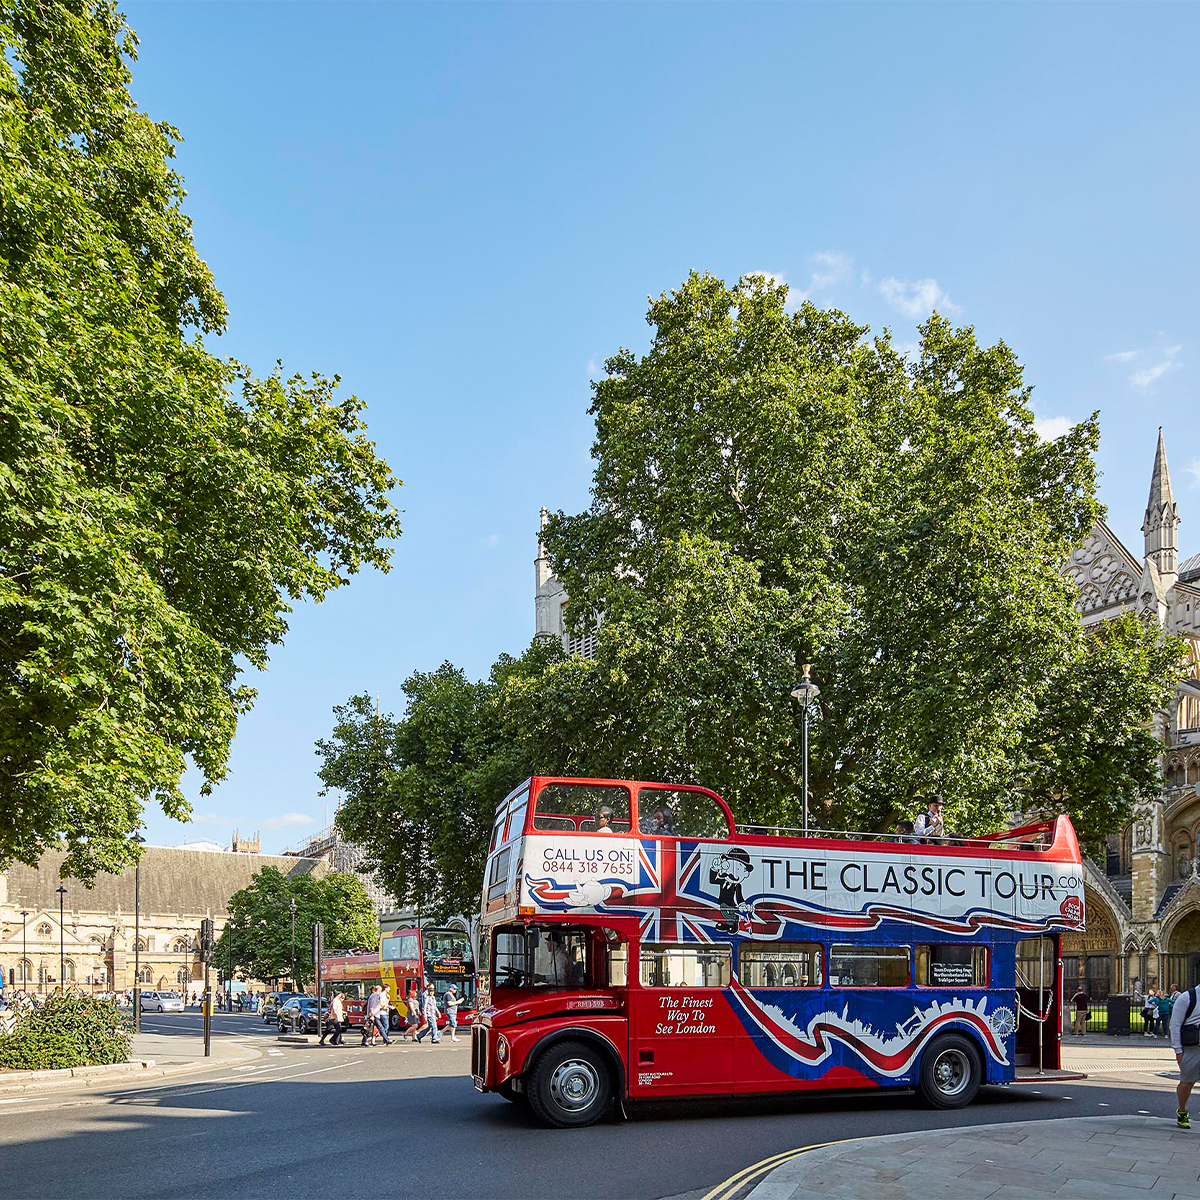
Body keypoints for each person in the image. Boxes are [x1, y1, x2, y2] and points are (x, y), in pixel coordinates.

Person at [1169, 983, 1200, 1129]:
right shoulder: (1187, 997)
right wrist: (1178, 1051)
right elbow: (1175, 1025)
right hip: (1193, 1046)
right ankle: (1182, 1110)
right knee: (1187, 1082)